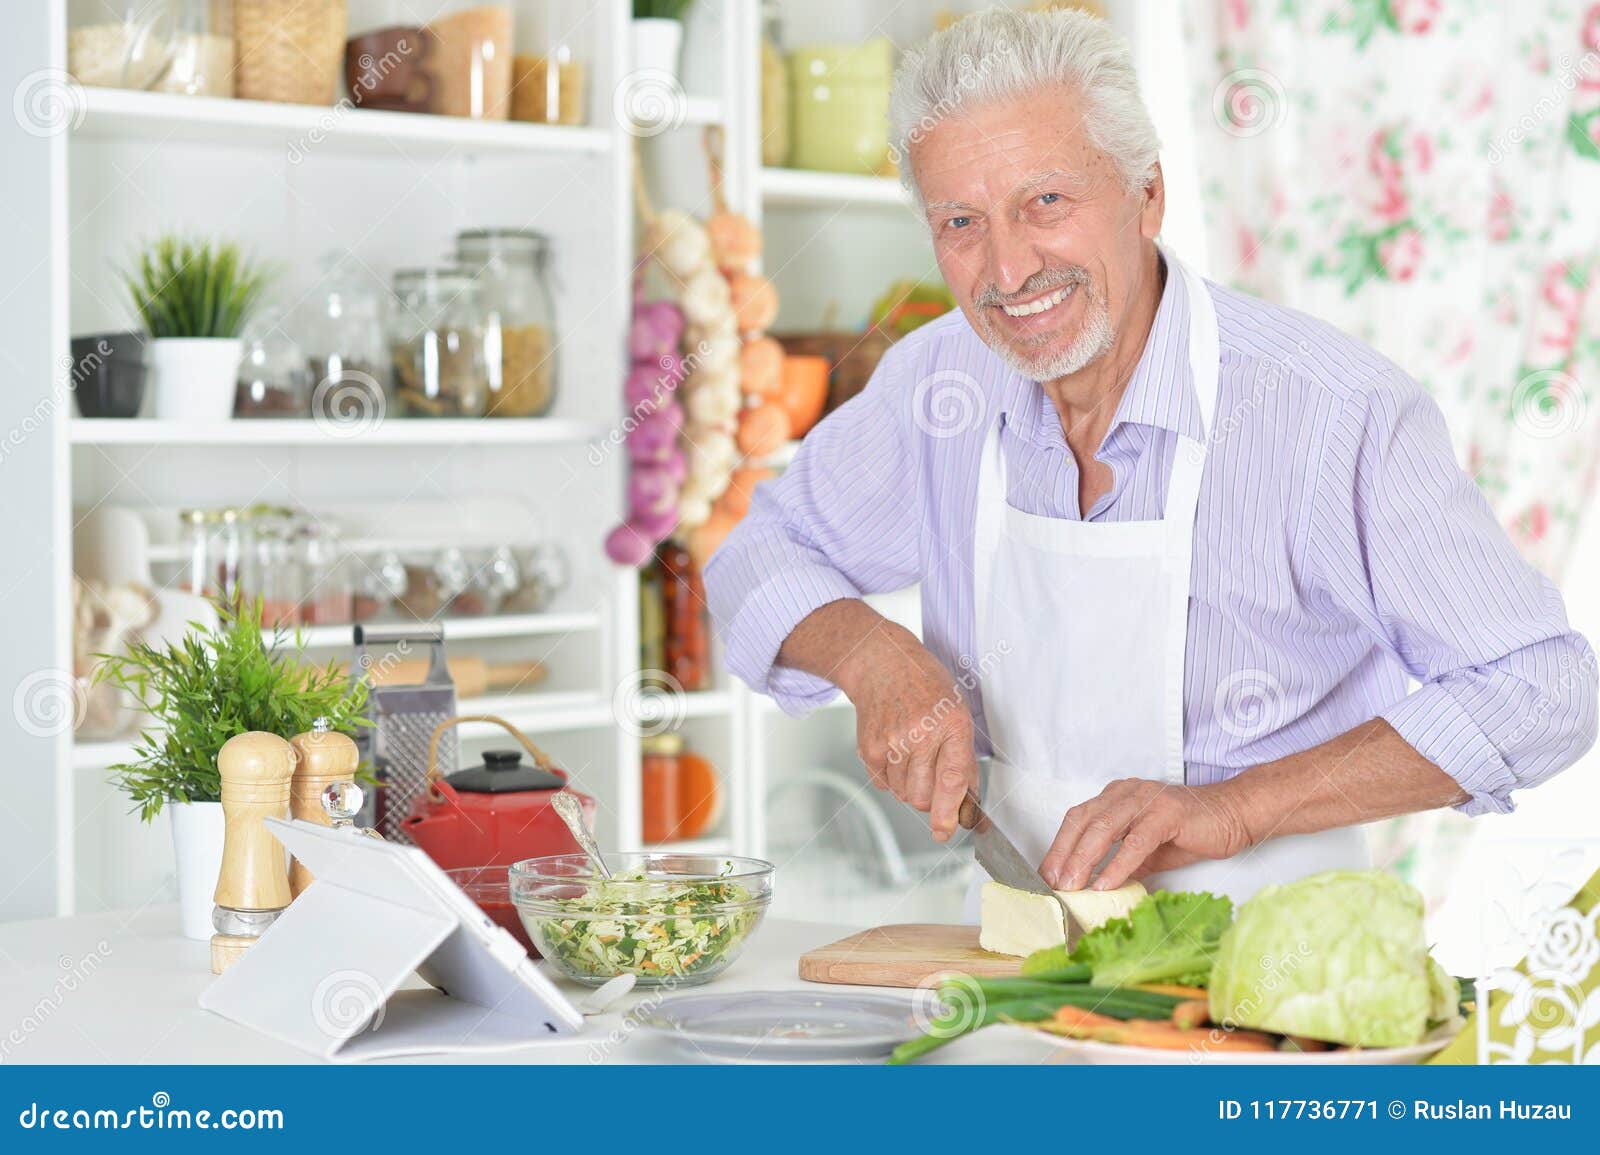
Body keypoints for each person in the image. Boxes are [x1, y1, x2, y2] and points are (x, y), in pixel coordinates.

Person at [704, 8, 1597, 909]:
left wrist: (1236, 809)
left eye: (1045, 202)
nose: (1007, 270)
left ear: (1148, 193)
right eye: (962, 221)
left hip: (1269, 965)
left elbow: (1542, 685)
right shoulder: (939, 382)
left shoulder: (1332, 411)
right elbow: (755, 555)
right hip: (1014, 959)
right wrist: (868, 650)